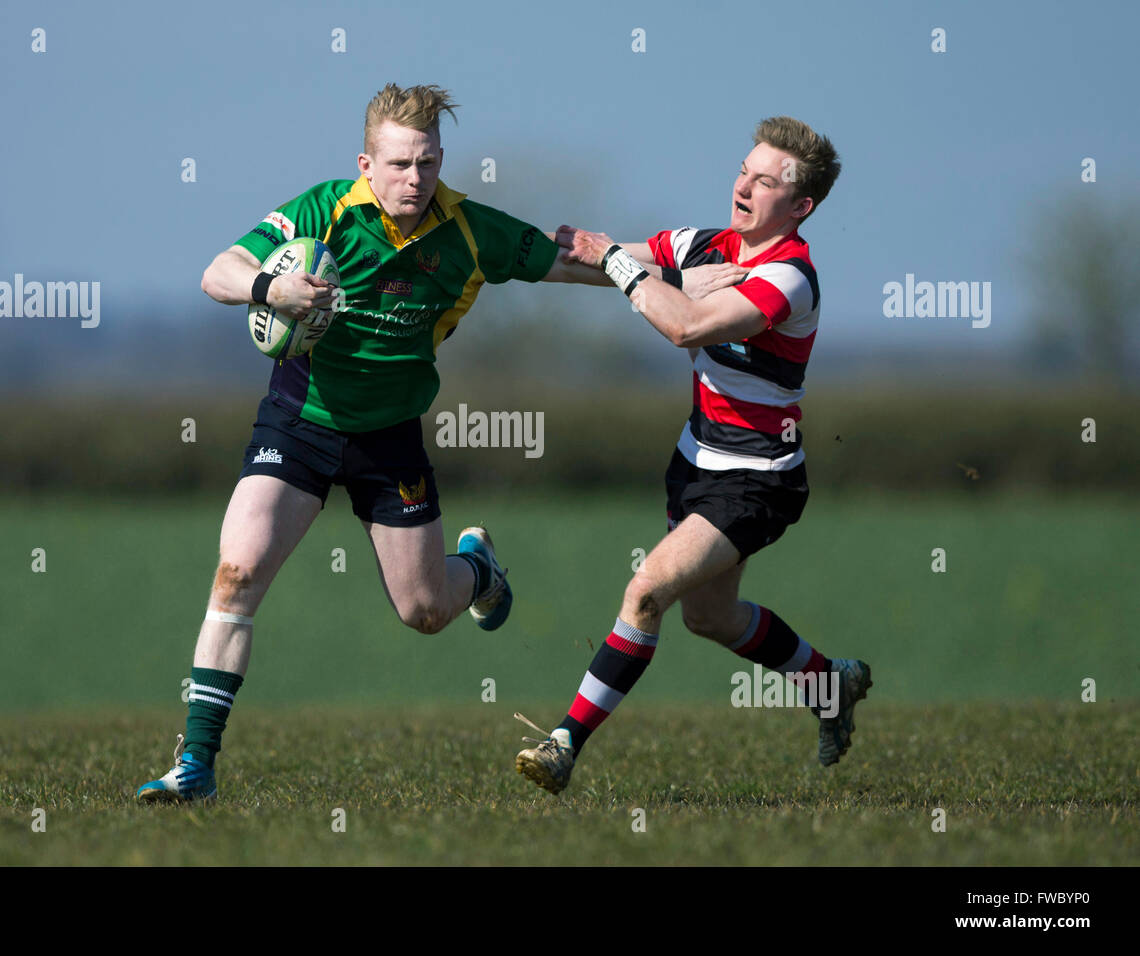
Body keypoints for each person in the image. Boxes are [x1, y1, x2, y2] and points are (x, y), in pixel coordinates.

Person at [134, 83, 725, 802]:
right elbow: (216, 271)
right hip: (298, 423)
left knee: (424, 613)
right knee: (237, 574)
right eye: (400, 164)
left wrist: (682, 275)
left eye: (429, 163)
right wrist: (270, 288)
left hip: (390, 442)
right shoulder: (322, 209)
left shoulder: (469, 230)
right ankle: (195, 768)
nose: (416, 179)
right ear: (365, 163)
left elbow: (569, 260)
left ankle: (477, 568)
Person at [515, 116, 870, 795]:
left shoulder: (792, 278)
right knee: (709, 617)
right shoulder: (700, 243)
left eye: (767, 181)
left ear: (801, 207)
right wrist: (490, 250)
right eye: (745, 169)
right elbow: (589, 262)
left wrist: (622, 265)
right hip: (694, 463)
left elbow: (686, 326)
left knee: (646, 590)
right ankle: (829, 682)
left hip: (758, 480)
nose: (744, 185)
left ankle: (564, 744)